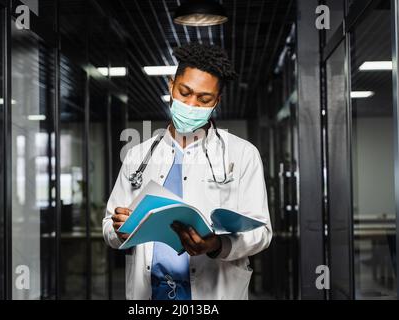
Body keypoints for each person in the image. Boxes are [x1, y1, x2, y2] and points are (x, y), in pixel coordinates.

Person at [102, 42, 272, 300]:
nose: (191, 104)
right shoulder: (138, 156)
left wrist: (217, 245)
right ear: (171, 85)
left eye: (204, 99)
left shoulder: (243, 155)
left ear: (217, 101)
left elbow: (261, 233)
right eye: (184, 92)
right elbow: (108, 227)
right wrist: (119, 230)